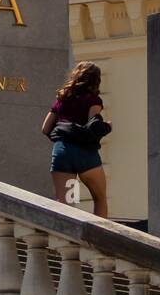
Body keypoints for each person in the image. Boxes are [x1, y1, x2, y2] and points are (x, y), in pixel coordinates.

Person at [41, 61, 110, 218]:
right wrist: (107, 126)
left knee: (66, 202)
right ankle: (99, 239)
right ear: (96, 80)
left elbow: (45, 128)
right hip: (86, 155)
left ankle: (65, 239)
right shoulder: (93, 100)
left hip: (62, 152)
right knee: (99, 198)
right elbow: (93, 125)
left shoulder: (61, 99)